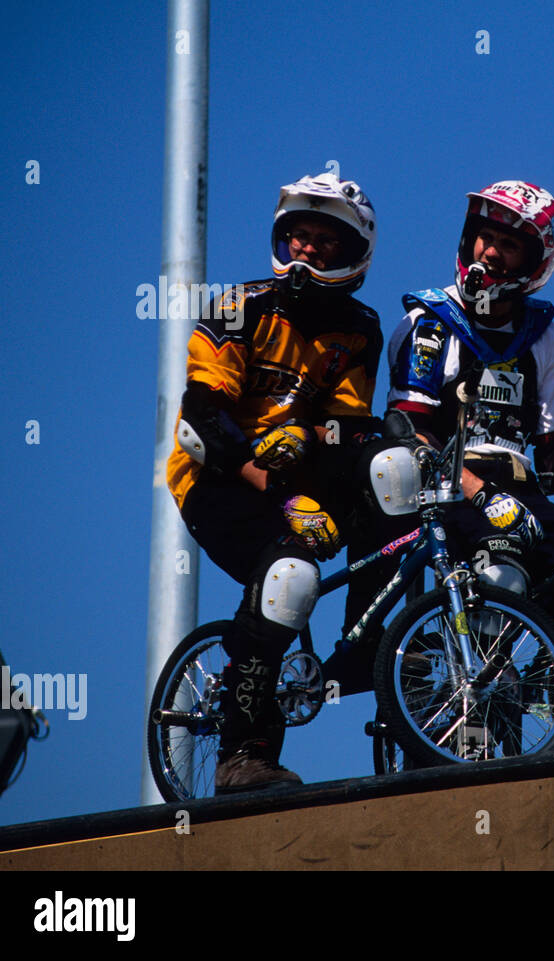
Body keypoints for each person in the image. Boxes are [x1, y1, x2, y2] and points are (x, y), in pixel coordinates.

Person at [167, 172, 395, 792]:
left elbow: (349, 428)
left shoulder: (361, 327)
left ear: (356, 255)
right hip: (218, 477)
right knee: (290, 572)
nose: (307, 248)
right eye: (299, 234)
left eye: (326, 239)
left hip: (298, 473)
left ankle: (369, 646)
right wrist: (281, 492)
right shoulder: (237, 307)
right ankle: (242, 752)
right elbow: (200, 421)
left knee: (392, 470)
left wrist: (312, 439)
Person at [386, 181, 554, 603]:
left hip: (524, 495)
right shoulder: (429, 323)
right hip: (451, 495)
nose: (491, 252)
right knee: (503, 578)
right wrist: (480, 492)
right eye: (486, 237)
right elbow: (408, 434)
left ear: (536, 262)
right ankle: (482, 649)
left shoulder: (546, 337)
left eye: (509, 245)